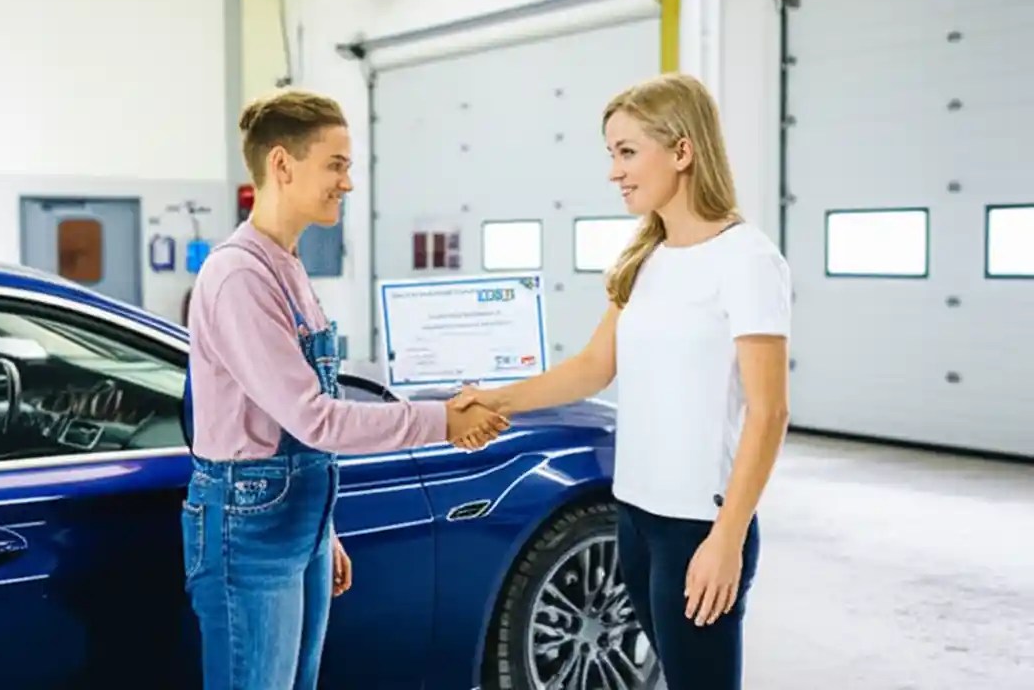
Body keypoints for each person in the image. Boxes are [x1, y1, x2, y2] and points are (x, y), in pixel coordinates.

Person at [450, 73, 791, 690]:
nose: (614, 171)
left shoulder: (748, 260)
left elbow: (769, 414)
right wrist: (494, 399)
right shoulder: (648, 258)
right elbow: (592, 368)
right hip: (635, 514)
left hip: (699, 524)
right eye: (612, 153)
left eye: (627, 151)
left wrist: (727, 538)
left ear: (683, 152)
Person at [181, 88, 509, 690]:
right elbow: (316, 419)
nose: (348, 183)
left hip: (294, 519)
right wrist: (442, 421)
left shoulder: (285, 264)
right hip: (249, 529)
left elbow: (293, 413)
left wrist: (320, 527)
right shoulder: (237, 277)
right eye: (337, 165)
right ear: (282, 164)